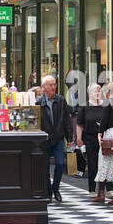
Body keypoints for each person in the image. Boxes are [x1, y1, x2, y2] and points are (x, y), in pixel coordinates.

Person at [38, 74, 71, 203]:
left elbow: (67, 120)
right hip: (44, 140)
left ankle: (55, 188)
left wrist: (70, 138)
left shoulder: (61, 100)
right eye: (50, 85)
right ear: (44, 87)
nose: (53, 87)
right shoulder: (39, 102)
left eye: (54, 84)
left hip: (58, 138)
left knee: (60, 163)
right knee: (45, 167)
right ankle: (48, 191)